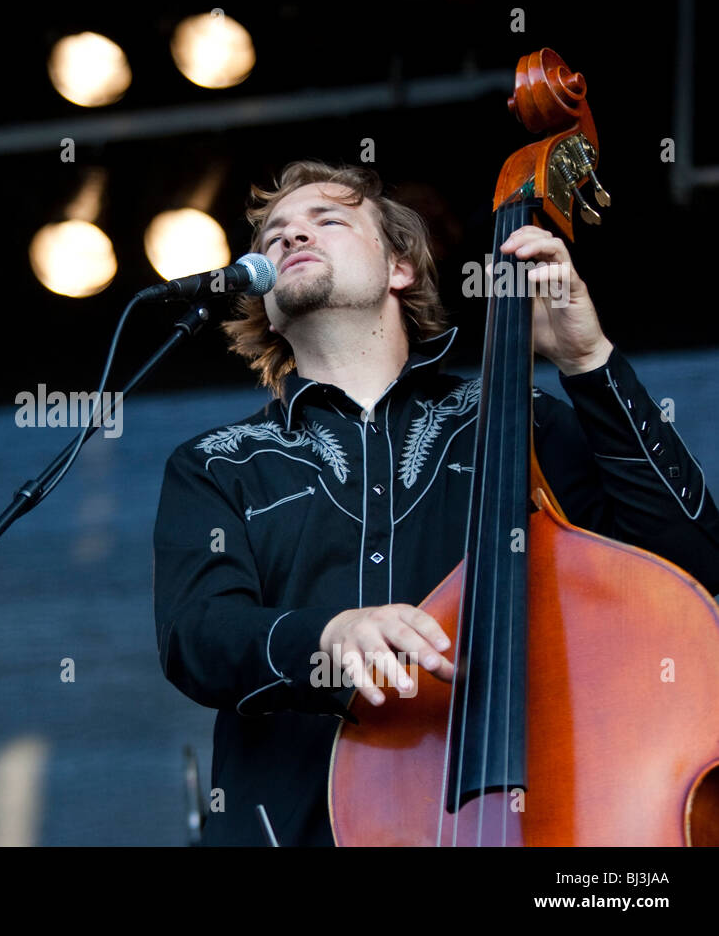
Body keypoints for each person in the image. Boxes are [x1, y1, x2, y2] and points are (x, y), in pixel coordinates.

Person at [151, 160, 719, 846]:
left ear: (402, 269)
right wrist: (325, 637)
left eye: (327, 220)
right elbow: (197, 636)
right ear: (266, 302)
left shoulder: (520, 422)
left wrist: (588, 361)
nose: (291, 237)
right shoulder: (217, 463)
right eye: (273, 236)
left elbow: (688, 569)